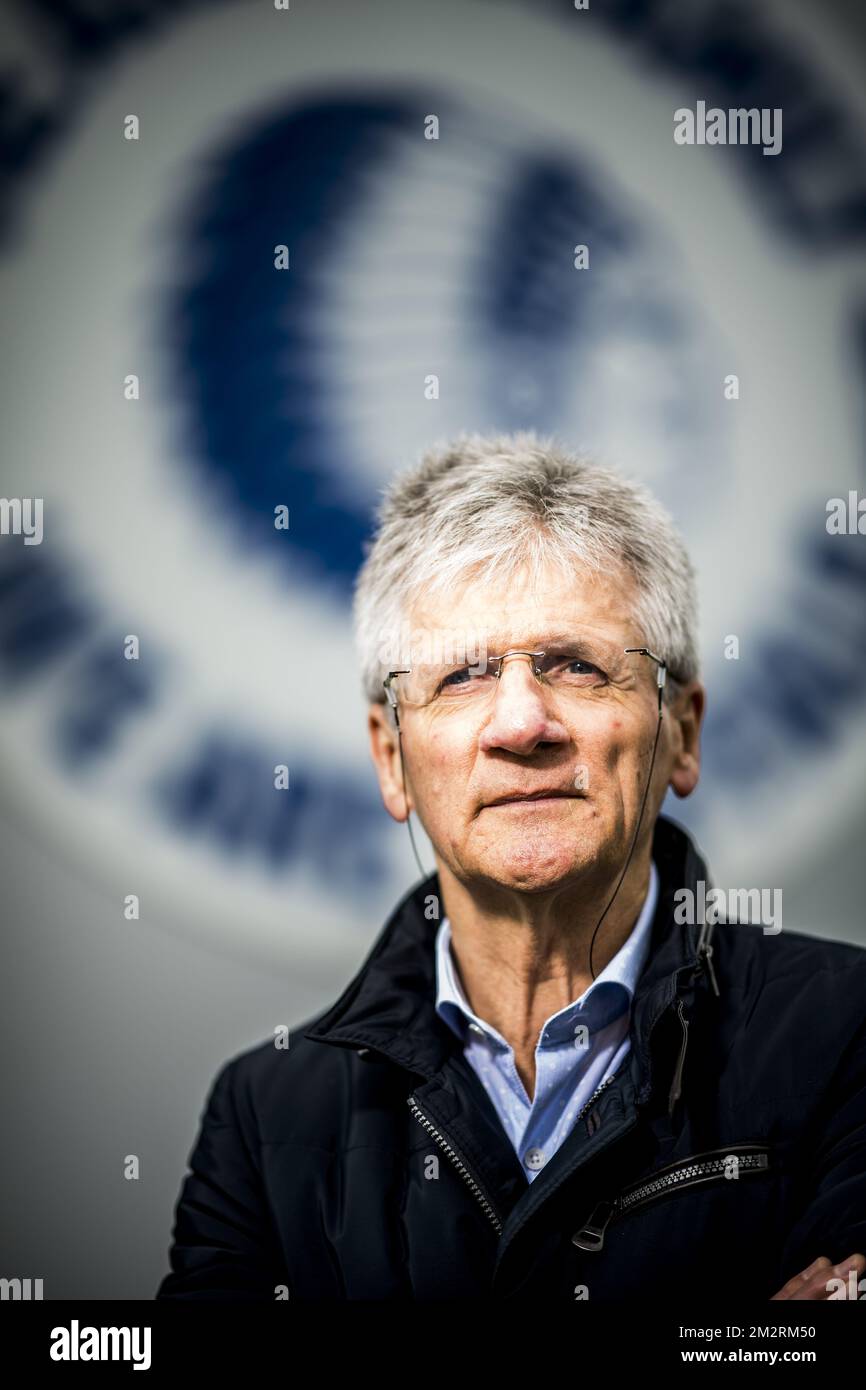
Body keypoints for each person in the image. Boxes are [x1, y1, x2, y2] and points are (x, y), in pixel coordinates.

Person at [157, 432, 866, 1301]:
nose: (522, 723)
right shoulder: (267, 1119)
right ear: (391, 758)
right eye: (463, 676)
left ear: (682, 728)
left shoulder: (851, 1035)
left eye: (577, 665)